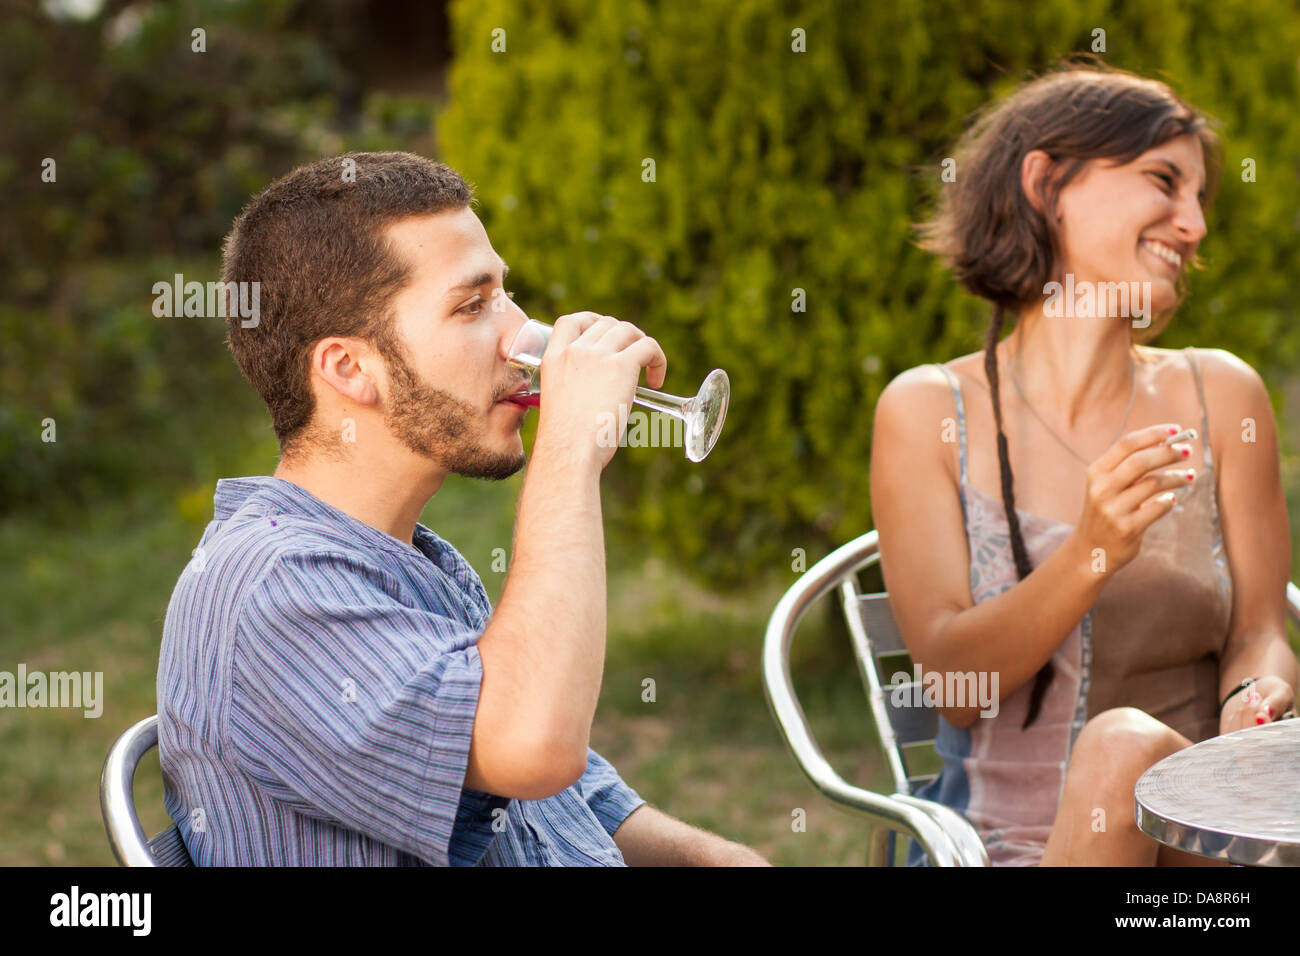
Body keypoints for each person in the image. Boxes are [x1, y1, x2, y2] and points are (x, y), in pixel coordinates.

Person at [156, 151, 769, 866]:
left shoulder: (410, 558)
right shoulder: (272, 594)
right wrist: (570, 446)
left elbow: (555, 801)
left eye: (504, 295)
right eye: (472, 305)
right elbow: (531, 746)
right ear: (349, 368)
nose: (521, 333)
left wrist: (717, 859)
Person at [869, 63, 1298, 866]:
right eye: (1164, 182)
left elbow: (1261, 633)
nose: (1194, 224)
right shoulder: (926, 411)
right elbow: (954, 687)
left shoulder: (1223, 396)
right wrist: (1092, 550)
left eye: (1201, 198)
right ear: (1045, 183)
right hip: (1013, 846)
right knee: (1122, 749)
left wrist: (1255, 693)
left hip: (1206, 850)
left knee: (1137, 751)